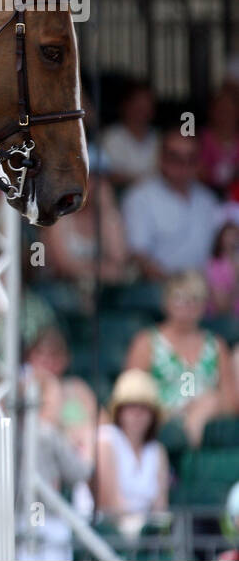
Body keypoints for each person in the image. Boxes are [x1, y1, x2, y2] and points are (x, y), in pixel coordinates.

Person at [124, 271, 239, 447]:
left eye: (195, 299)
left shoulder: (216, 346)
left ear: (203, 305)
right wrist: (171, 412)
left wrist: (199, 406)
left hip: (205, 418)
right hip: (161, 419)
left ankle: (186, 451)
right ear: (166, 302)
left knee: (210, 401)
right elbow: (131, 392)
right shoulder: (147, 342)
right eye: (180, 298)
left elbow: (229, 403)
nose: (187, 306)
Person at [122, 131, 220, 280]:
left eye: (191, 159)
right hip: (159, 292)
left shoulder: (208, 200)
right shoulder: (140, 198)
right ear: (161, 159)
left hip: (208, 292)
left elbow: (221, 254)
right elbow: (139, 255)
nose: (183, 165)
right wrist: (177, 288)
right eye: (176, 158)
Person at [94, 369, 169, 537]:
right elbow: (109, 505)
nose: (137, 414)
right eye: (131, 406)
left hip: (145, 537)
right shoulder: (105, 440)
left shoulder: (158, 452)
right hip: (106, 534)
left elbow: (160, 508)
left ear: (153, 414)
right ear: (119, 411)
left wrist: (152, 530)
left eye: (144, 407)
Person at [99, 80, 159, 188]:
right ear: (125, 105)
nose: (142, 109)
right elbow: (109, 174)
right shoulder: (110, 137)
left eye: (147, 103)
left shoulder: (159, 137)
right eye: (137, 103)